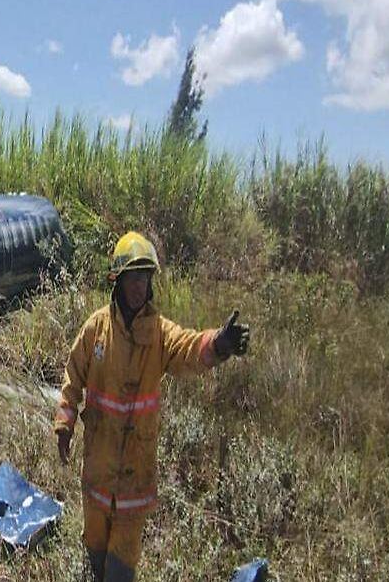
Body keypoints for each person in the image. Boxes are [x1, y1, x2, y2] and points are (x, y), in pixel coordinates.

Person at [54, 231, 249, 581]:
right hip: (97, 470)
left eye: (145, 278)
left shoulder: (159, 333)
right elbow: (73, 377)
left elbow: (189, 348)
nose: (139, 286)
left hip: (134, 475)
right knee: (94, 552)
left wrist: (218, 344)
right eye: (133, 277)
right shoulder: (96, 329)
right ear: (117, 280)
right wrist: (64, 424)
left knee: (120, 567)